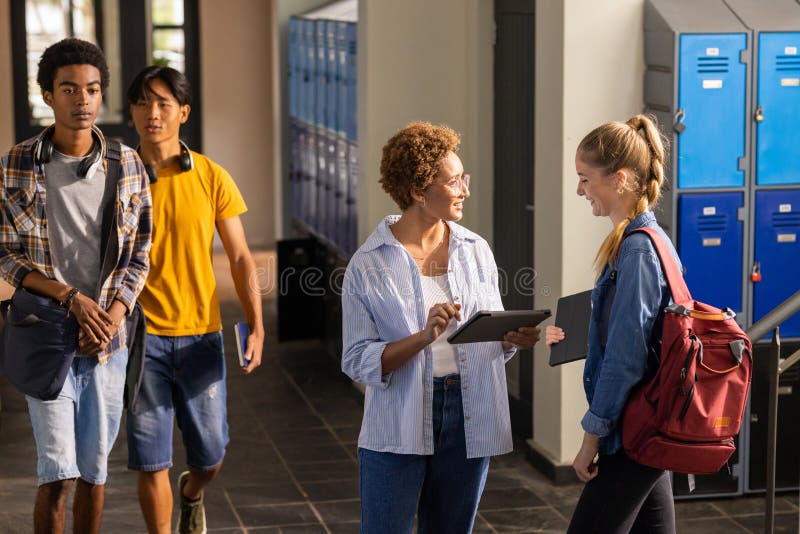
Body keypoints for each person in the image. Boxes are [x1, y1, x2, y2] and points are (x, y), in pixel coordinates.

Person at [341, 121, 541, 533]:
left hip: (468, 414)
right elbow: (357, 360)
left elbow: (490, 338)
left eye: (463, 178)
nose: (465, 189)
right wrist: (422, 339)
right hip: (399, 419)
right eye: (454, 182)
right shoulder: (370, 263)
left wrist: (511, 340)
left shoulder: (475, 249)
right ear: (418, 191)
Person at [0, 38, 152, 533]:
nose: (82, 100)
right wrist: (71, 298)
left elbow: (140, 254)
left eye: (92, 89)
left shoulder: (127, 165)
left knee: (94, 473)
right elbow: (6, 255)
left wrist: (113, 315)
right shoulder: (16, 164)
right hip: (47, 335)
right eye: (69, 89)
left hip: (108, 343)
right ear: (48, 95)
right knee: (57, 474)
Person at [125, 65, 265, 534]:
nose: (153, 113)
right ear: (132, 112)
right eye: (144, 103)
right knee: (151, 461)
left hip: (201, 336)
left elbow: (242, 257)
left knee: (211, 455)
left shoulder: (210, 175)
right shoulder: (119, 178)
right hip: (141, 339)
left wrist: (256, 325)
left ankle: (193, 492)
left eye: (164, 103)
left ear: (183, 112)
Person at [546, 114, 679, 533]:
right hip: (645, 429)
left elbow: (626, 356)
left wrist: (591, 438)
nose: (579, 190)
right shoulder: (641, 242)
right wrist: (581, 335)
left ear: (619, 179)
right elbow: (634, 331)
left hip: (632, 433)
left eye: (585, 178)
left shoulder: (637, 250)